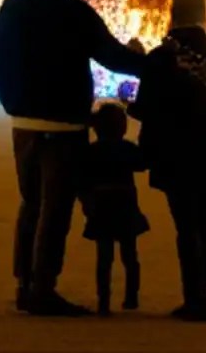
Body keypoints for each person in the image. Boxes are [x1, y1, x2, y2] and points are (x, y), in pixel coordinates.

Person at [0, 0, 146, 317]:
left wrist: (14, 103)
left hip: (24, 125)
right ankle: (43, 287)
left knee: (31, 203)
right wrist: (146, 62)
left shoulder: (16, 5)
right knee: (55, 209)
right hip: (65, 127)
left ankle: (25, 283)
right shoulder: (75, 13)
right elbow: (110, 54)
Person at [129, 0, 206, 322]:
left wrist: (132, 109)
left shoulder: (163, 56)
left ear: (173, 14)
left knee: (186, 225)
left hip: (175, 155)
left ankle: (195, 298)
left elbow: (147, 107)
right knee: (205, 223)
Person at [79, 101, 149, 316]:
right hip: (125, 203)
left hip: (101, 204)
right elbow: (143, 162)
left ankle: (104, 300)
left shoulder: (91, 152)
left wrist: (86, 203)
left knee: (104, 256)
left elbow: (81, 179)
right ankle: (131, 296)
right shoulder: (126, 149)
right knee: (129, 254)